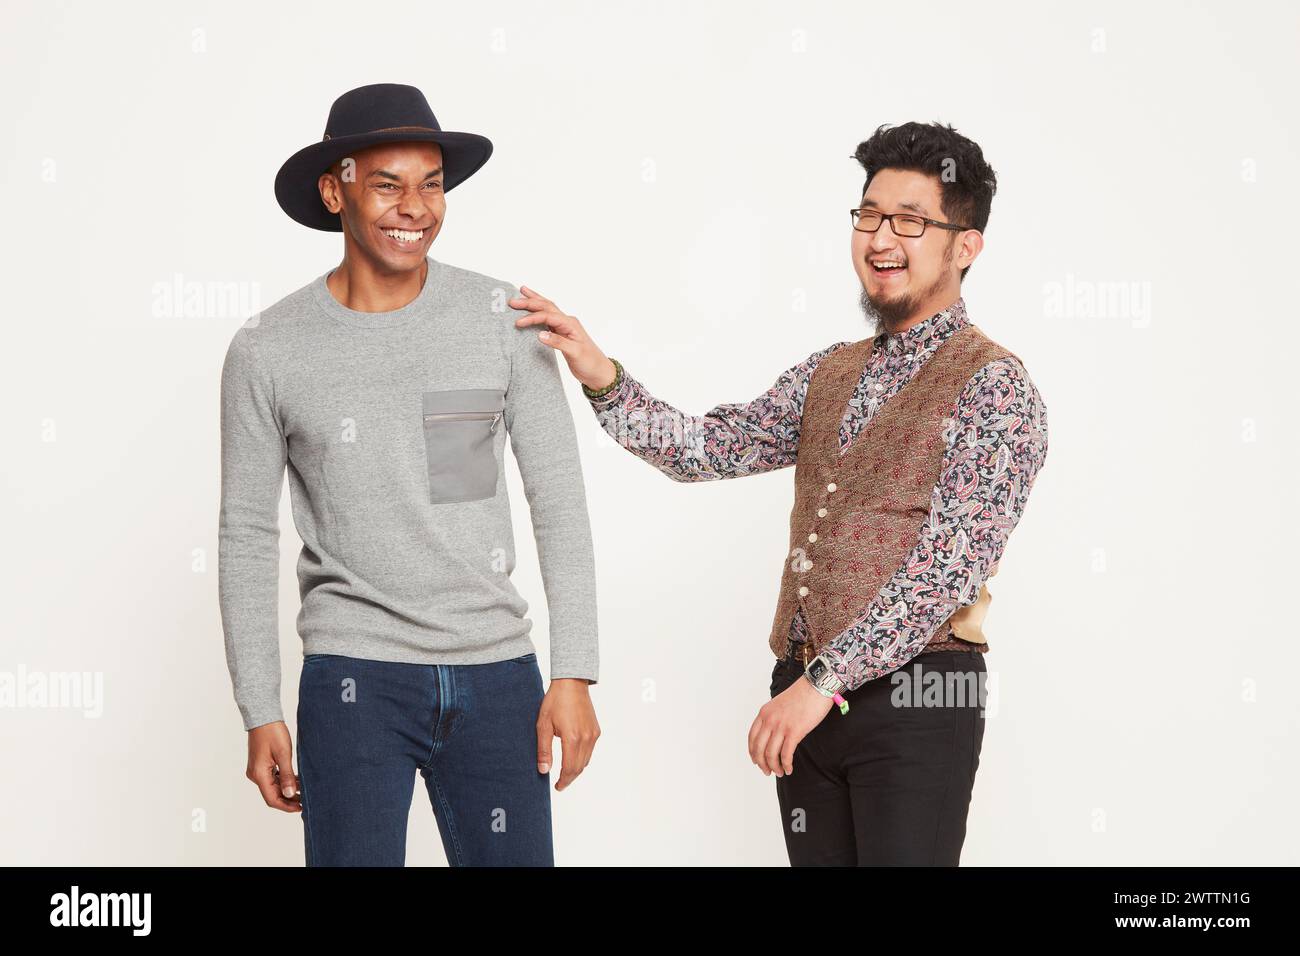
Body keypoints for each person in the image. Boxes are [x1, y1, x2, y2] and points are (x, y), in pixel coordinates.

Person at [510, 122, 1048, 865]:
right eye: (869, 214)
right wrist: (601, 372)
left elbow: (946, 569)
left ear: (965, 245)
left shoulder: (994, 385)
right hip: (805, 699)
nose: (881, 237)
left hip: (920, 700)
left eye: (911, 221)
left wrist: (822, 683)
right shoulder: (832, 369)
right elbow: (708, 449)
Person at [218, 83, 600, 866]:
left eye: (432, 183)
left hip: (498, 677)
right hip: (352, 682)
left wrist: (575, 672)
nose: (415, 206)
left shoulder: (506, 321)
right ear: (336, 190)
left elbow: (557, 497)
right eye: (387, 183)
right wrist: (259, 708)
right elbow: (245, 534)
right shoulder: (267, 348)